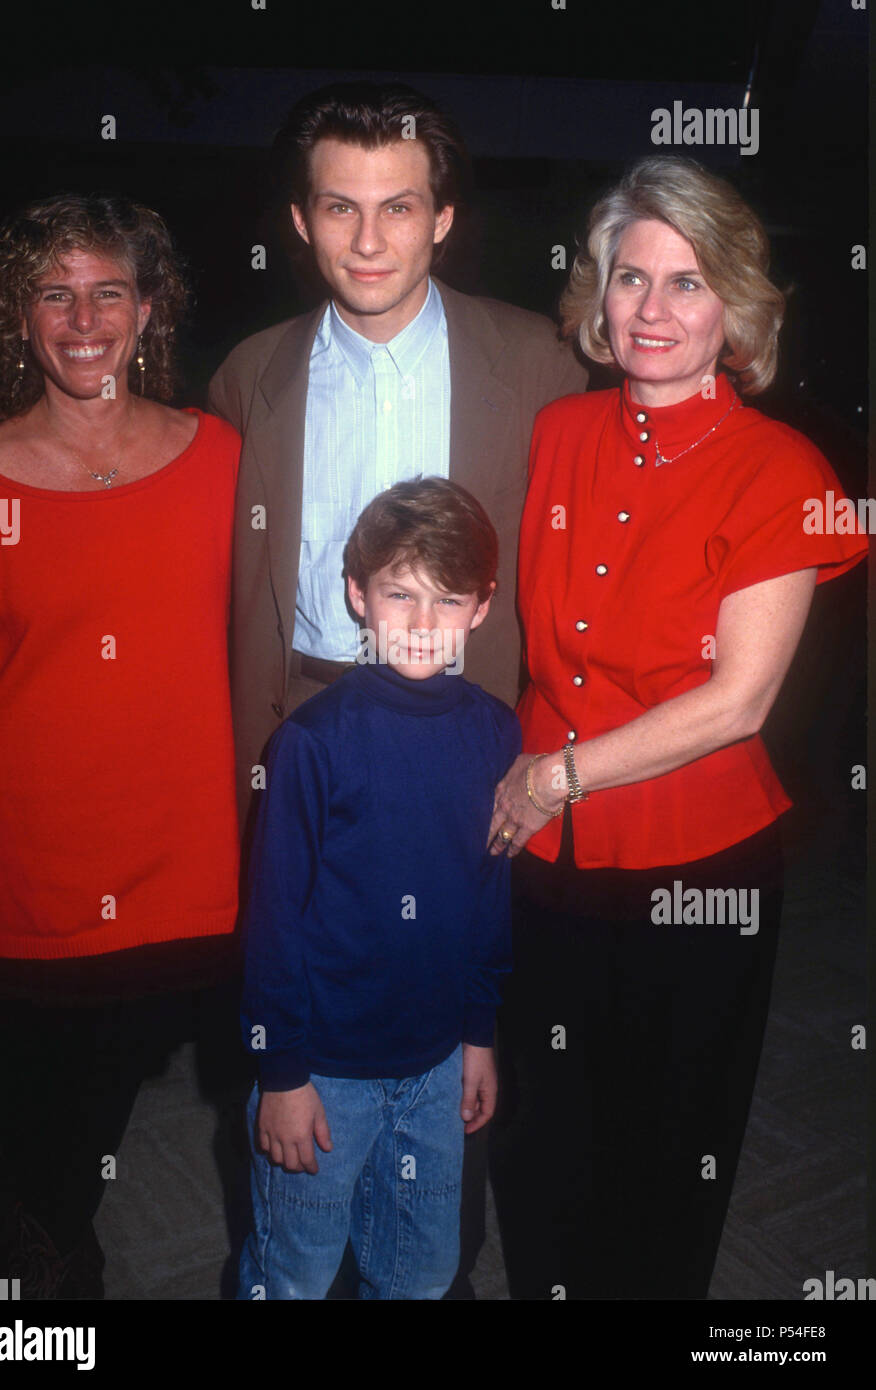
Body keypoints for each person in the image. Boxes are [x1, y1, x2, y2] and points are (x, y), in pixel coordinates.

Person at [208, 80, 585, 1294]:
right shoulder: (248, 375)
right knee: (310, 1002)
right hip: (308, 724)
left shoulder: (535, 362)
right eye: (338, 206)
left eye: (396, 207)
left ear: (442, 219)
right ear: (299, 220)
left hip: (462, 734)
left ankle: (426, 1265)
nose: (367, 239)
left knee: (441, 1027)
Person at [486, 156, 868, 1300]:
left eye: (686, 284)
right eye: (629, 278)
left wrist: (551, 774)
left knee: (665, 1154)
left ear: (736, 312)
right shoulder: (553, 430)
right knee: (539, 1137)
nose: (652, 310)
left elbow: (735, 702)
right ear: (595, 298)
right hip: (540, 864)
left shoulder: (781, 471)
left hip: (692, 873)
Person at [0, 194, 241, 1297]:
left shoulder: (223, 460)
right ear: (16, 319)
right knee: (33, 1156)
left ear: (146, 310)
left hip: (189, 874)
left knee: (124, 1120)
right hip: (21, 874)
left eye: (107, 290)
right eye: (52, 293)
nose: (81, 318)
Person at [238, 477, 520, 1300]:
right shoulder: (310, 743)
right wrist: (281, 1071)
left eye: (447, 599)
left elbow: (487, 897)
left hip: (436, 1066)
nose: (424, 625)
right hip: (322, 1071)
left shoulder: (497, 733)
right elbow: (271, 924)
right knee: (294, 1273)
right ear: (358, 594)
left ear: (482, 606)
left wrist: (479, 1033)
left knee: (423, 1274)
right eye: (400, 594)